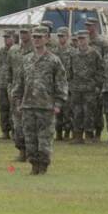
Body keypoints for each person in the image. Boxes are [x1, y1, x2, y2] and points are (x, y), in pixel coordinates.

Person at [19, 27, 67, 174]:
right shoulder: (26, 59)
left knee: (44, 138)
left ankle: (43, 166)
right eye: (34, 37)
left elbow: (61, 83)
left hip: (46, 106)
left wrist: (58, 103)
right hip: (28, 105)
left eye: (40, 37)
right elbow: (19, 82)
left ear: (46, 39)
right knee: (30, 138)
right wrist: (17, 101)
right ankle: (34, 166)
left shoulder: (54, 60)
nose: (36, 40)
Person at [67, 30, 103, 143]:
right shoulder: (73, 54)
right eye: (79, 39)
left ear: (88, 39)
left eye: (83, 39)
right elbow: (69, 71)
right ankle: (78, 135)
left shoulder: (95, 53)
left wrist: (97, 85)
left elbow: (101, 71)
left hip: (90, 89)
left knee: (89, 113)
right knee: (77, 112)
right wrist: (70, 84)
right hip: (76, 88)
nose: (81, 41)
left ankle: (88, 135)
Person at [8, 27, 33, 159]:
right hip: (16, 90)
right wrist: (9, 88)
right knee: (17, 122)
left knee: (30, 123)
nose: (23, 35)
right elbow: (9, 70)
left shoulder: (35, 50)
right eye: (21, 32)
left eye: (26, 32)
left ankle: (32, 151)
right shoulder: (14, 50)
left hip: (32, 92)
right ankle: (21, 151)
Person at [0, 32, 15, 139]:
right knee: (3, 108)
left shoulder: (16, 51)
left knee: (14, 109)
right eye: (5, 38)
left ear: (13, 38)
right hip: (3, 84)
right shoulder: (0, 52)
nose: (6, 40)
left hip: (13, 85)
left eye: (8, 37)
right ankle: (5, 131)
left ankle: (15, 131)